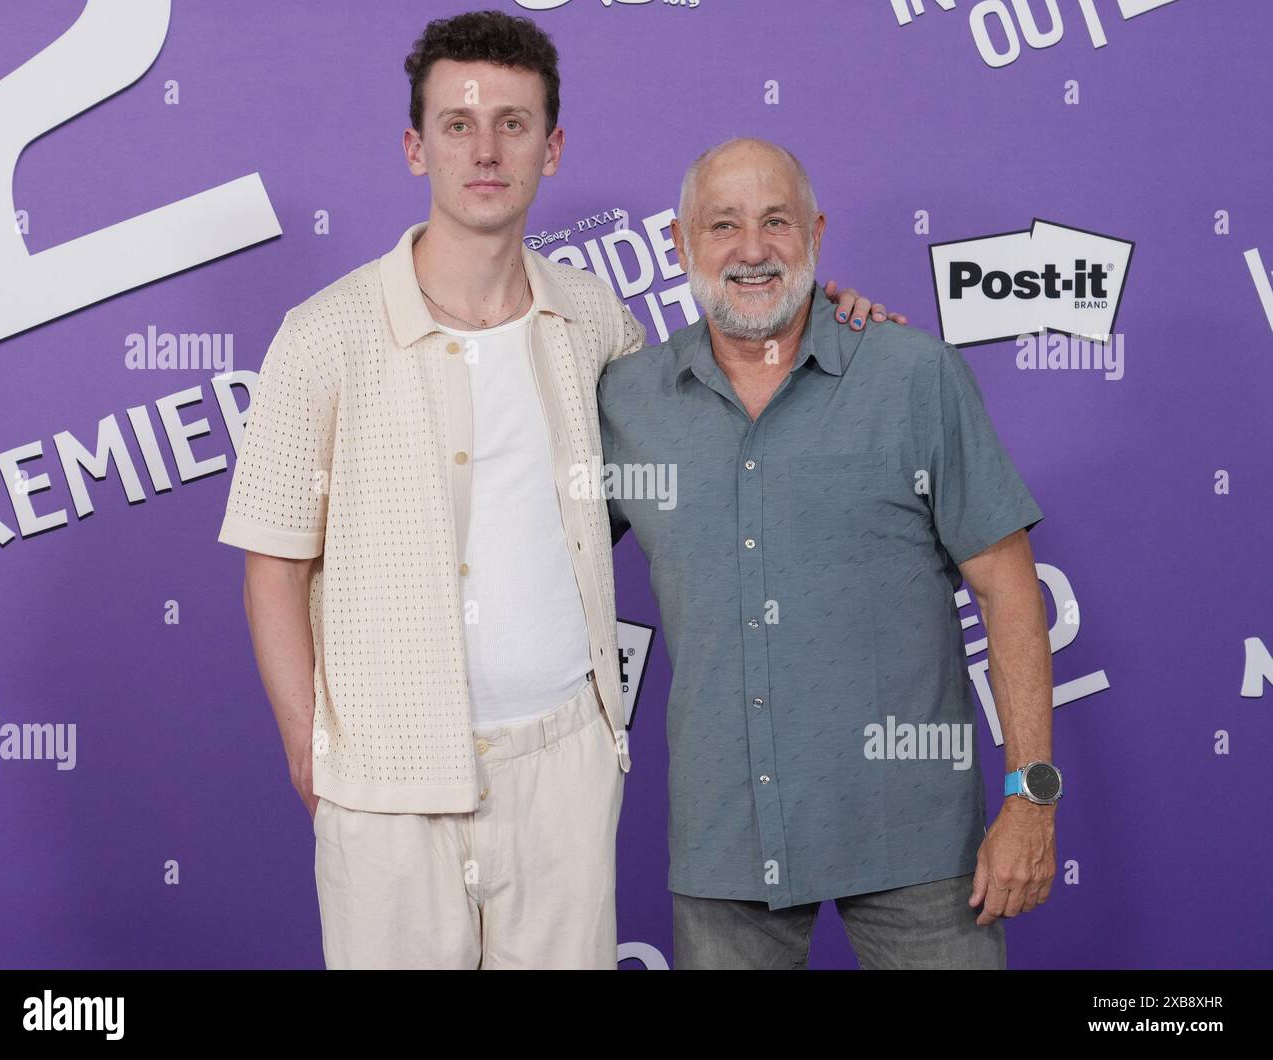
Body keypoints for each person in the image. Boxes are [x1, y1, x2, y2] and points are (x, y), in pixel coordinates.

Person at [216, 11, 894, 969]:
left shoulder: (591, 318)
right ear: (416, 148)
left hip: (566, 767)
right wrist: (309, 750)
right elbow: (274, 565)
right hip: (385, 781)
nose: (486, 148)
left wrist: (821, 314)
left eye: (514, 123)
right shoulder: (323, 337)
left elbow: (716, 390)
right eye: (457, 123)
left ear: (553, 147)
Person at [597, 137, 1059, 970]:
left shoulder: (912, 376)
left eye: (776, 222)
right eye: (723, 224)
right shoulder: (627, 402)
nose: (751, 249)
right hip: (725, 842)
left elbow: (1011, 592)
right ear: (678, 244)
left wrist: (1031, 798)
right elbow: (538, 561)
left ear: (815, 232)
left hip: (917, 841)